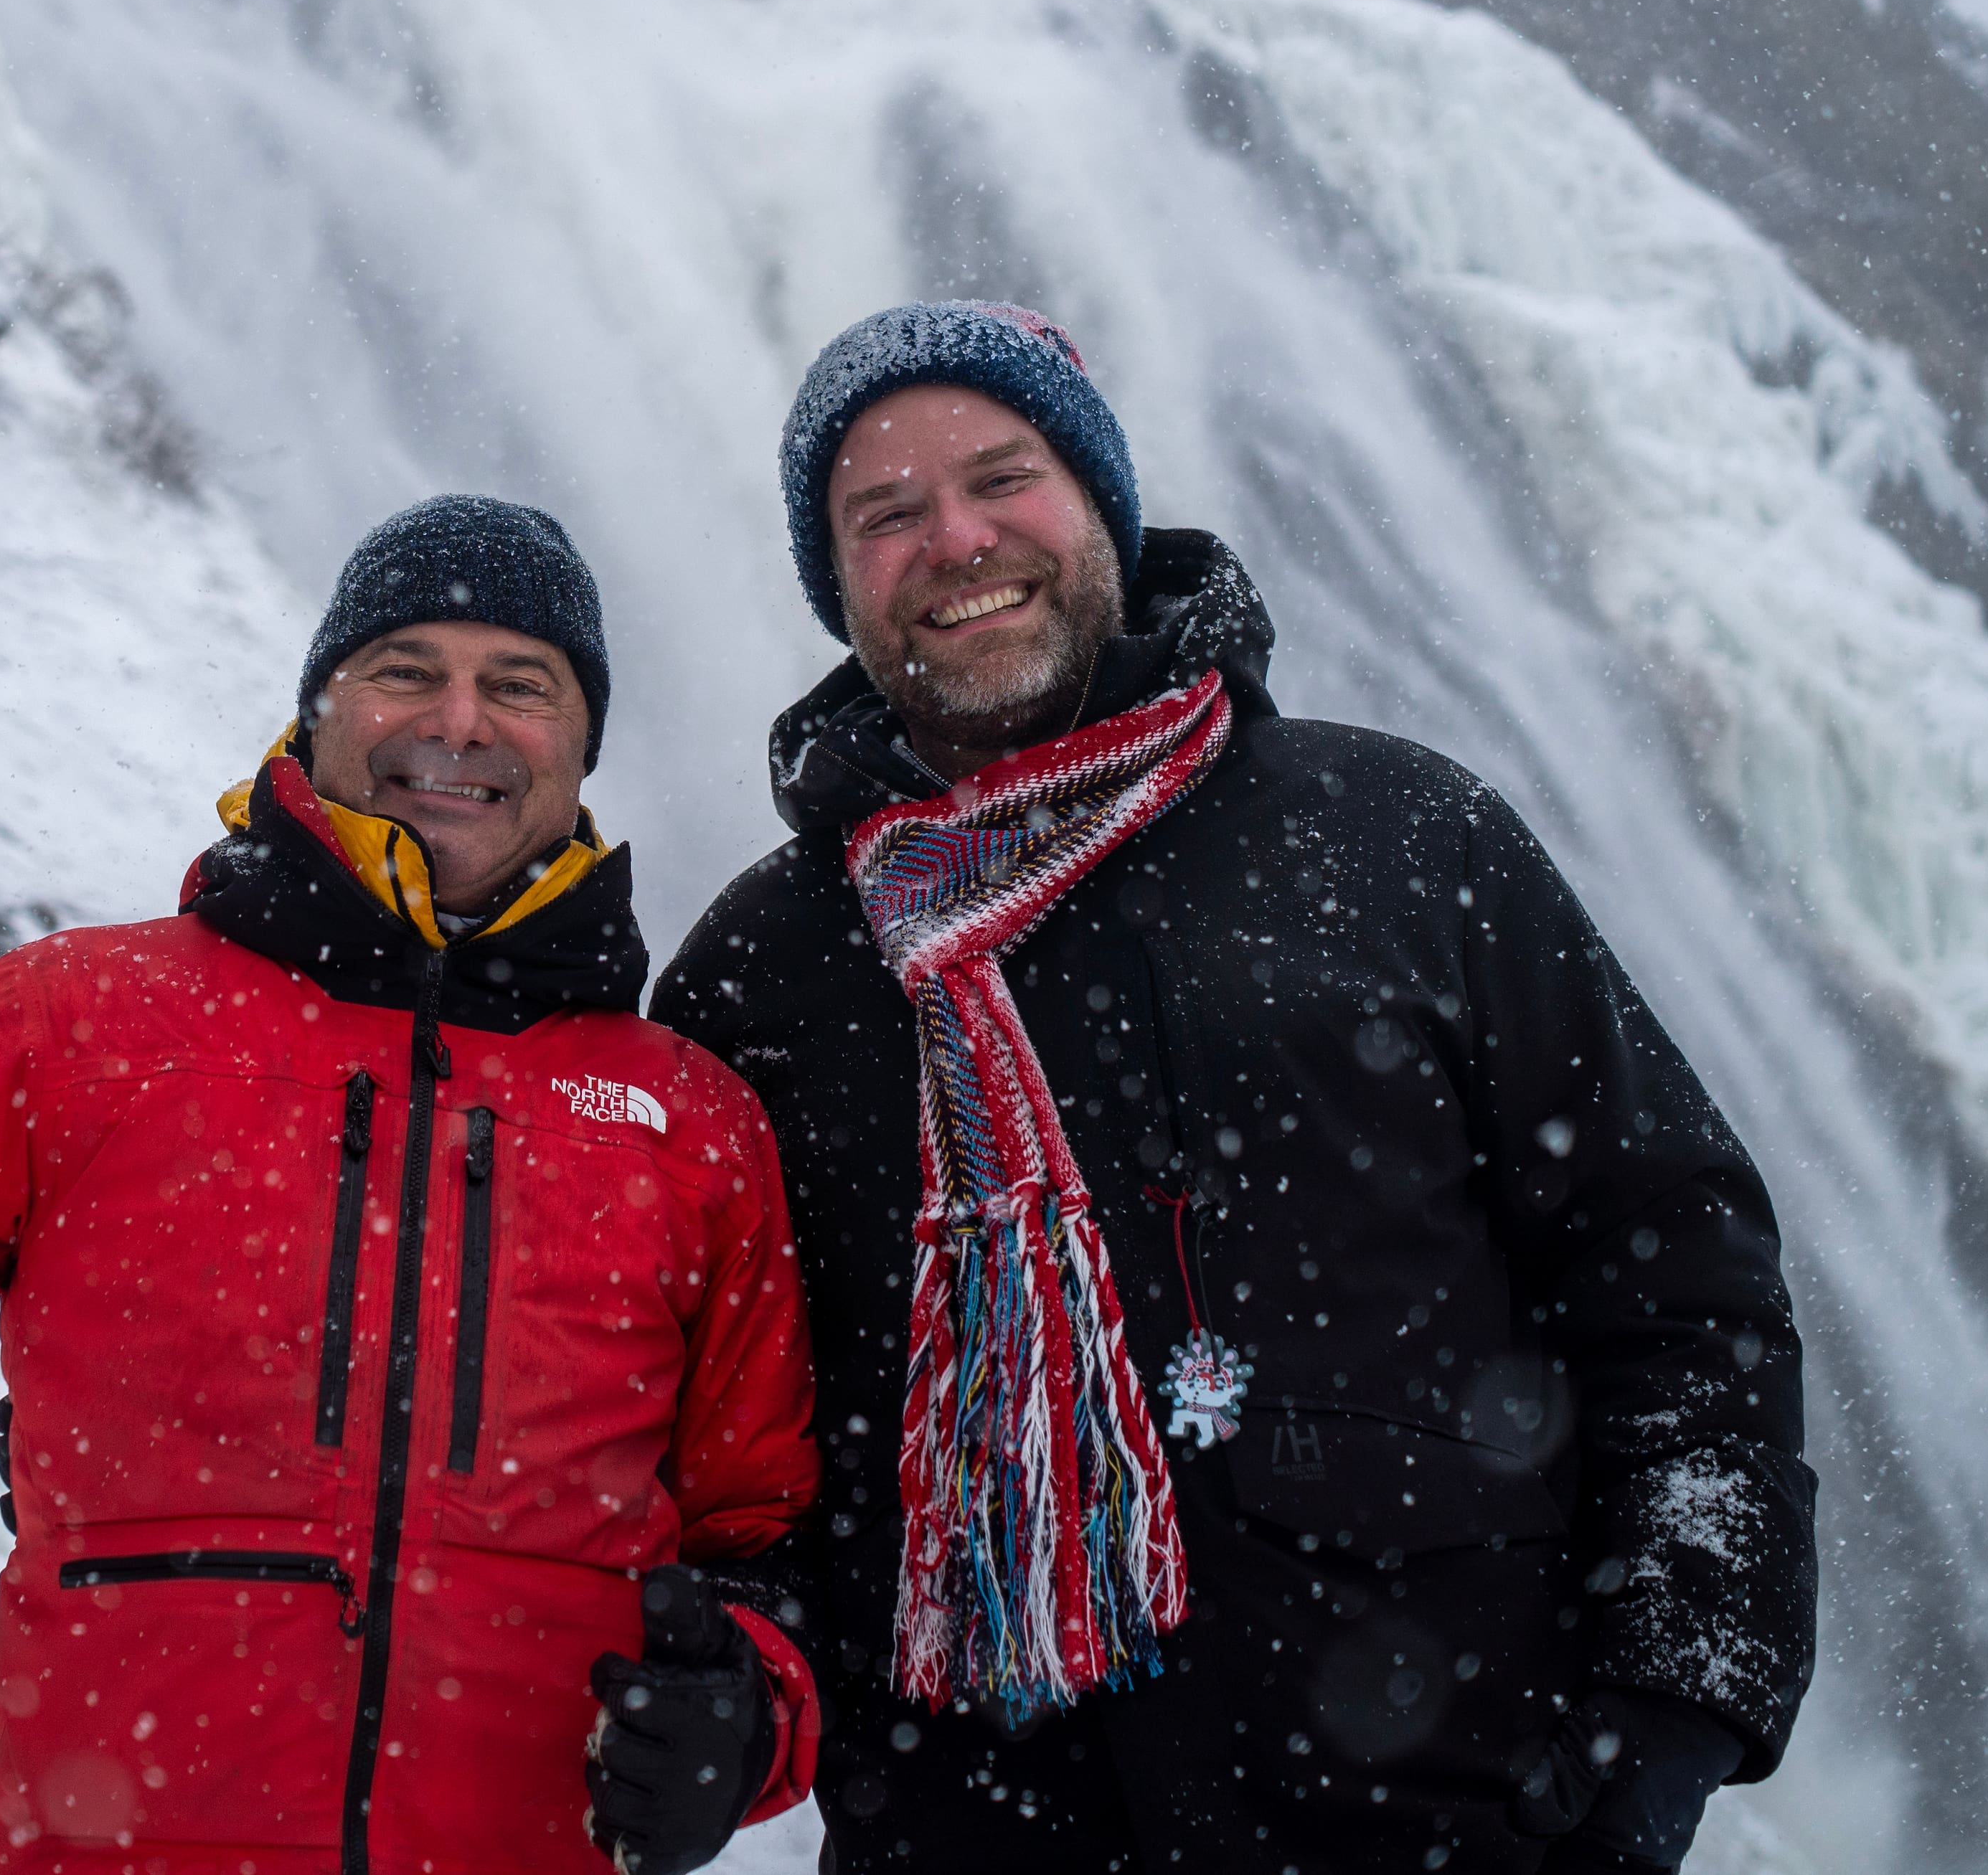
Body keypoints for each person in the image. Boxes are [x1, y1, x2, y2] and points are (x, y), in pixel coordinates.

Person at [654, 303, 1815, 1874]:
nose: (955, 536)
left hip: (1452, 1816)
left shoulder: (1401, 835)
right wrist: (728, 1679)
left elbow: (1675, 1278)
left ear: (1102, 508)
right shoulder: (768, 972)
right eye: (885, 511)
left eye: (1005, 476)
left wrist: (1670, 1715)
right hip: (971, 1833)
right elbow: (732, 1453)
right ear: (838, 578)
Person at [0, 497, 822, 1875]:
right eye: (405, 669)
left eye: (520, 684)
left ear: (581, 751)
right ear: (315, 713)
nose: (460, 719)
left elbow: (776, 1543)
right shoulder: (81, 1023)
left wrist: (748, 1723)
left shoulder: (691, 1123)